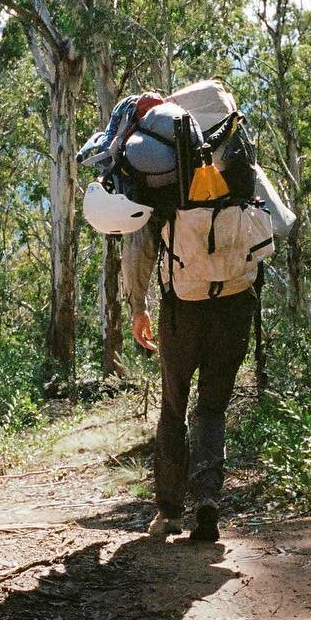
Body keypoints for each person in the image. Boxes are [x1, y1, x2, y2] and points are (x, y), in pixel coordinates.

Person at [122, 165, 291, 543]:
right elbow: (280, 223)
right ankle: (208, 499)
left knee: (173, 405)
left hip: (182, 308)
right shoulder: (243, 169)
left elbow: (139, 245)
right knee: (212, 408)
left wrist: (138, 307)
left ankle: (168, 513)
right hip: (234, 305)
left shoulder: (164, 178)